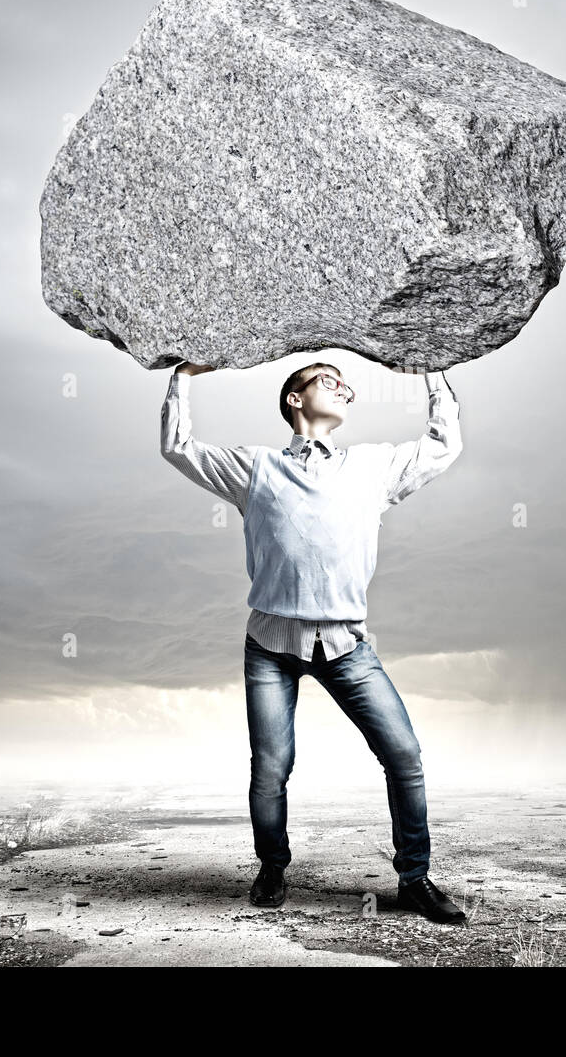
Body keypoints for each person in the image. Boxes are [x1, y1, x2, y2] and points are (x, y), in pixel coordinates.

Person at [160, 357, 467, 924]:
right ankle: (273, 867)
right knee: (272, 767)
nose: (344, 386)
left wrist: (432, 370)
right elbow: (179, 445)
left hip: (347, 646)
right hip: (271, 647)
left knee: (404, 754)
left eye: (345, 382)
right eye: (328, 379)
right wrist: (182, 375)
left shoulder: (371, 469)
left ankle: (415, 880)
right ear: (294, 400)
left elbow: (443, 443)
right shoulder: (256, 468)